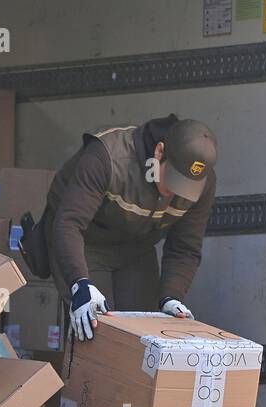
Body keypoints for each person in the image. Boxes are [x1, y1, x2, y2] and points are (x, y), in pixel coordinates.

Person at [30, 115, 218, 340]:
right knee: (95, 330)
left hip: (136, 245)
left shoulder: (203, 184)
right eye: (172, 179)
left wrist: (171, 297)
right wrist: (80, 283)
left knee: (143, 335)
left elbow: (185, 247)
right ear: (159, 153)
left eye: (186, 187)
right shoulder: (108, 157)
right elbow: (69, 223)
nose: (176, 192)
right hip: (86, 239)